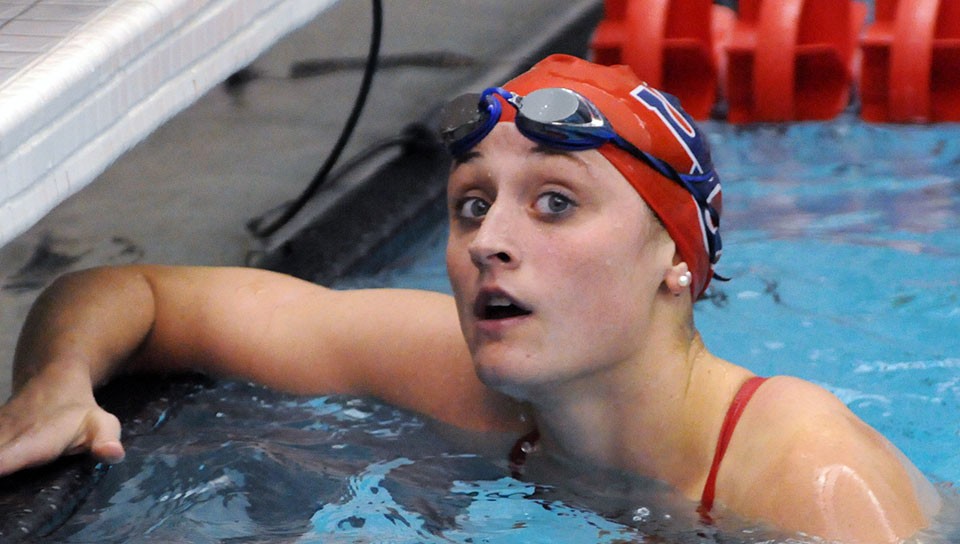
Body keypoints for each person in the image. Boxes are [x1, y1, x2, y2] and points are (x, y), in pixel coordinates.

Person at [0, 54, 941, 542]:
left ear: (676, 259)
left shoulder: (802, 476)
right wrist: (56, 380)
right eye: (471, 205)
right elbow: (141, 293)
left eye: (557, 204)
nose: (489, 239)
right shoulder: (452, 371)